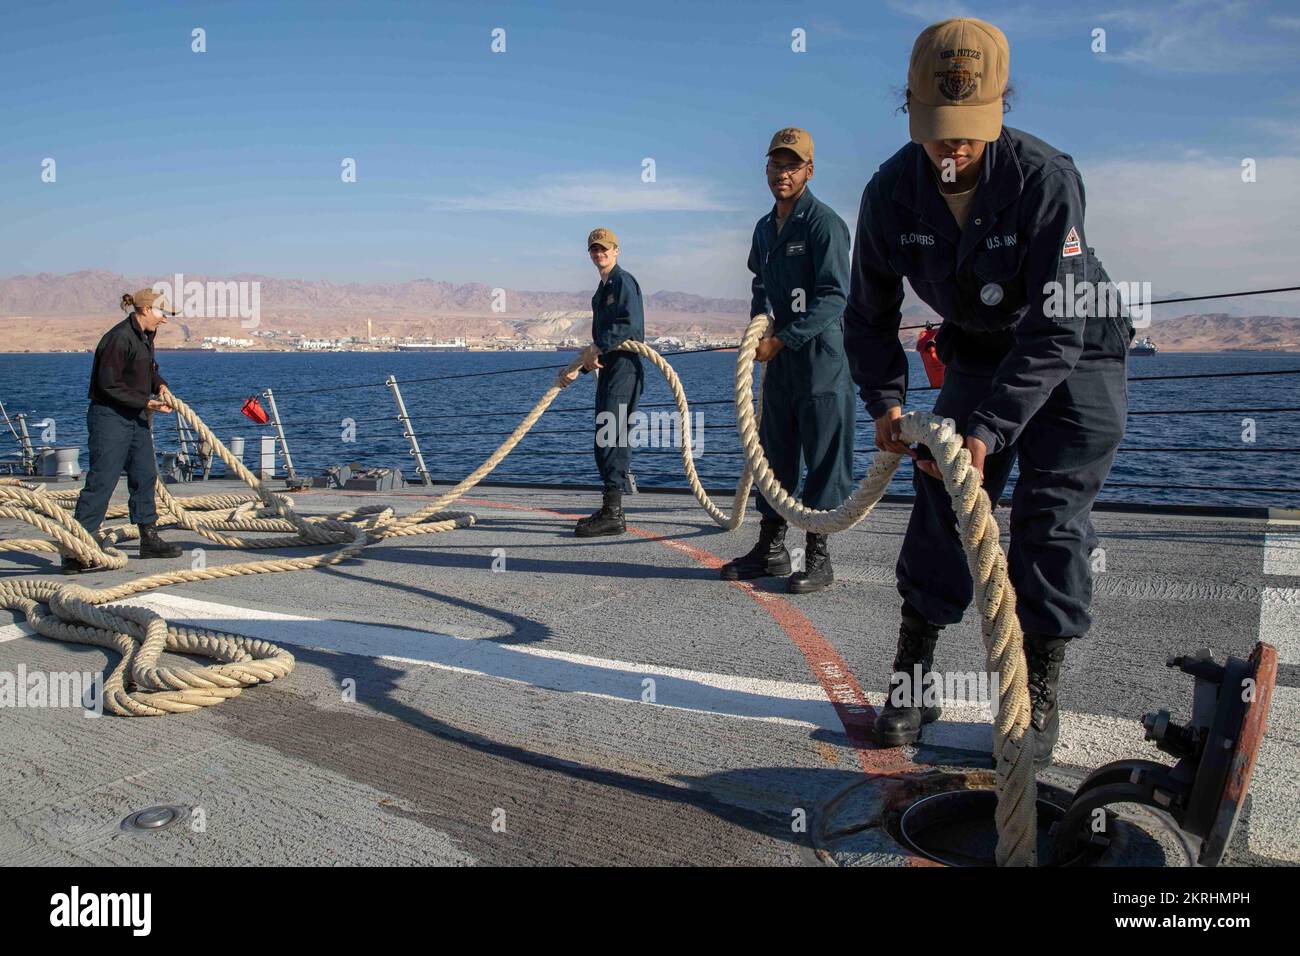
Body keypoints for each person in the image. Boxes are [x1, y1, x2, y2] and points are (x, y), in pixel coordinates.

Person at [844, 18, 1131, 765]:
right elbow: (868, 317)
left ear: (1003, 105)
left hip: (1074, 357)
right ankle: (914, 671)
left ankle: (1037, 687)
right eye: (938, 131)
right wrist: (888, 404)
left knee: (1051, 517)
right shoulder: (889, 194)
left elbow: (1058, 330)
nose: (953, 147)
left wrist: (993, 427)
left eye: (968, 131)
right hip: (978, 351)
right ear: (909, 109)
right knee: (944, 497)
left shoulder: (1045, 178)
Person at [720, 127, 855, 594]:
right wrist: (760, 323)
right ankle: (772, 549)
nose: (783, 173)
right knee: (775, 457)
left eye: (792, 165)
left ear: (808, 171)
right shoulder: (763, 228)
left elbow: (835, 296)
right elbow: (760, 286)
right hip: (780, 368)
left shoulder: (824, 224)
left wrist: (785, 337)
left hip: (820, 365)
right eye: (777, 165)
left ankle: (818, 556)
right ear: (766, 170)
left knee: (823, 460)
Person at [66, 289, 185, 572]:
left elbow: (147, 370)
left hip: (136, 417)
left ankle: (148, 538)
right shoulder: (118, 338)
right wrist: (146, 402)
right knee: (102, 479)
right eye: (161, 313)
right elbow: (107, 385)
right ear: (145, 309)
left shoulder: (145, 336)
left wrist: (160, 385)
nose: (164, 319)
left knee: (145, 475)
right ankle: (76, 549)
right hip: (110, 418)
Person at [559, 228, 646, 537]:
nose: (600, 253)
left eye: (605, 248)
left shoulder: (622, 282)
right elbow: (601, 344)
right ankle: (611, 508)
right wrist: (577, 369)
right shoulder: (601, 290)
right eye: (594, 249)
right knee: (605, 435)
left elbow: (628, 325)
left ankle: (613, 513)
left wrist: (597, 348)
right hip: (610, 368)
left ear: (616, 250)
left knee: (612, 435)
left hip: (624, 370)